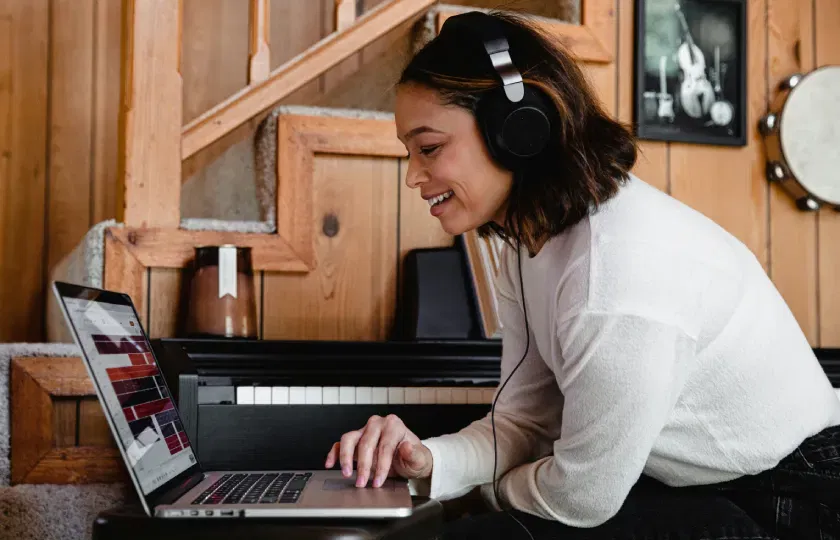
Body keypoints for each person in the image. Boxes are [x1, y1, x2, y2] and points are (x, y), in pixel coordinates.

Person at [323, 9, 840, 540]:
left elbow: (582, 497)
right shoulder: (528, 242)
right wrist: (429, 461)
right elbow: (526, 421)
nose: (413, 176)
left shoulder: (616, 272)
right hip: (700, 483)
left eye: (429, 148)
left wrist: (479, 496)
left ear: (516, 130)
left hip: (796, 496)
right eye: (410, 152)